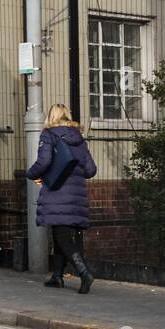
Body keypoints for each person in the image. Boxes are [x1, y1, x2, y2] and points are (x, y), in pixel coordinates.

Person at [27, 103, 97, 293]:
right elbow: (91, 170)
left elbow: (43, 162)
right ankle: (57, 277)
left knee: (61, 234)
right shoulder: (79, 139)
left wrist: (31, 174)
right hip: (76, 195)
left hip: (56, 191)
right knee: (61, 232)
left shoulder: (49, 135)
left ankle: (84, 273)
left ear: (51, 117)